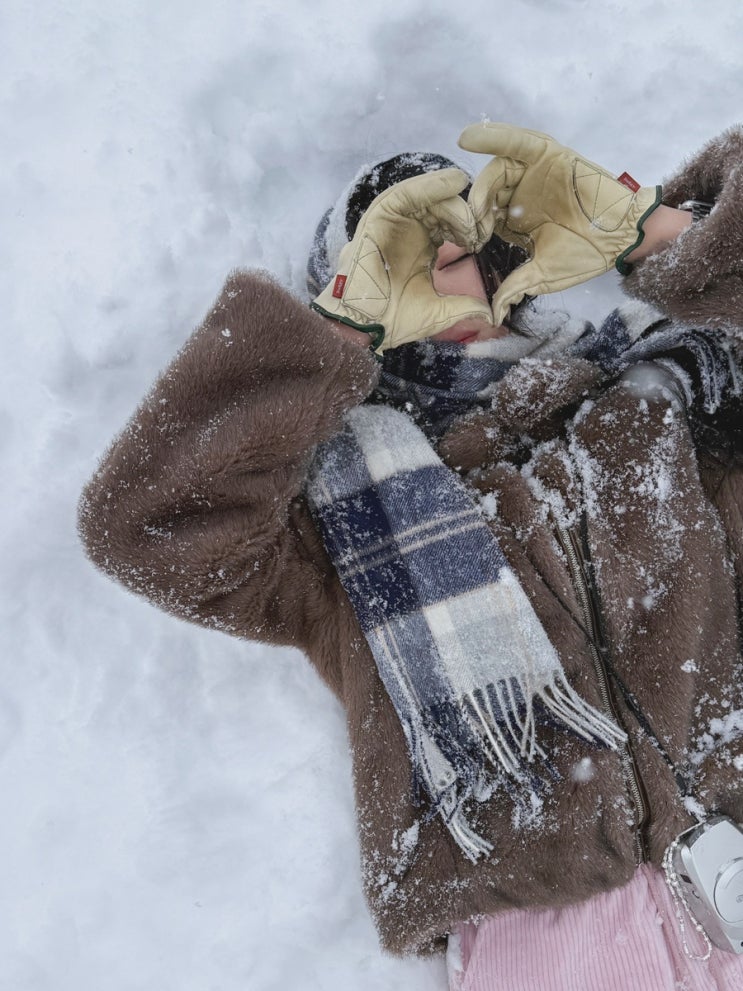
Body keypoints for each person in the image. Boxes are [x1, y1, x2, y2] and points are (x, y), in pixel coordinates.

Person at [79, 123, 743, 990]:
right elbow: (148, 526)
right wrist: (340, 332)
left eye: (456, 250)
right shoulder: (341, 527)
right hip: (545, 934)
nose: (434, 274)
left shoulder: (659, 408)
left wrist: (657, 234)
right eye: (391, 257)